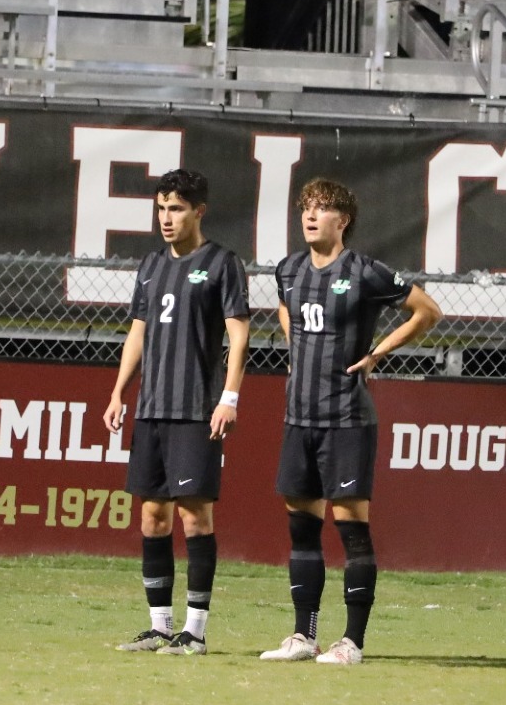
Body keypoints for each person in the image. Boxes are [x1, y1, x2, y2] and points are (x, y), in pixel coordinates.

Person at [260, 178, 442, 666]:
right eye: (306, 208)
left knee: (350, 527)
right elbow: (285, 305)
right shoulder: (290, 270)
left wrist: (379, 351)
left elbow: (427, 311)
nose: (310, 216)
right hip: (300, 415)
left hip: (346, 416)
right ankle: (304, 635)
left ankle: (353, 641)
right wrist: (295, 346)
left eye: (322, 209)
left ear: (343, 221)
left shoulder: (364, 271)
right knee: (301, 526)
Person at [103, 169, 250, 656]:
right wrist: (119, 392)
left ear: (198, 211)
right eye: (162, 208)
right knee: (151, 517)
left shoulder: (223, 262)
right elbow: (138, 332)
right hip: (152, 407)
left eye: (177, 209)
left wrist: (228, 397)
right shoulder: (150, 265)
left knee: (195, 518)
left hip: (195, 408)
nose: (166, 218)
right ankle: (160, 627)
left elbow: (238, 332)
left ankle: (196, 631)